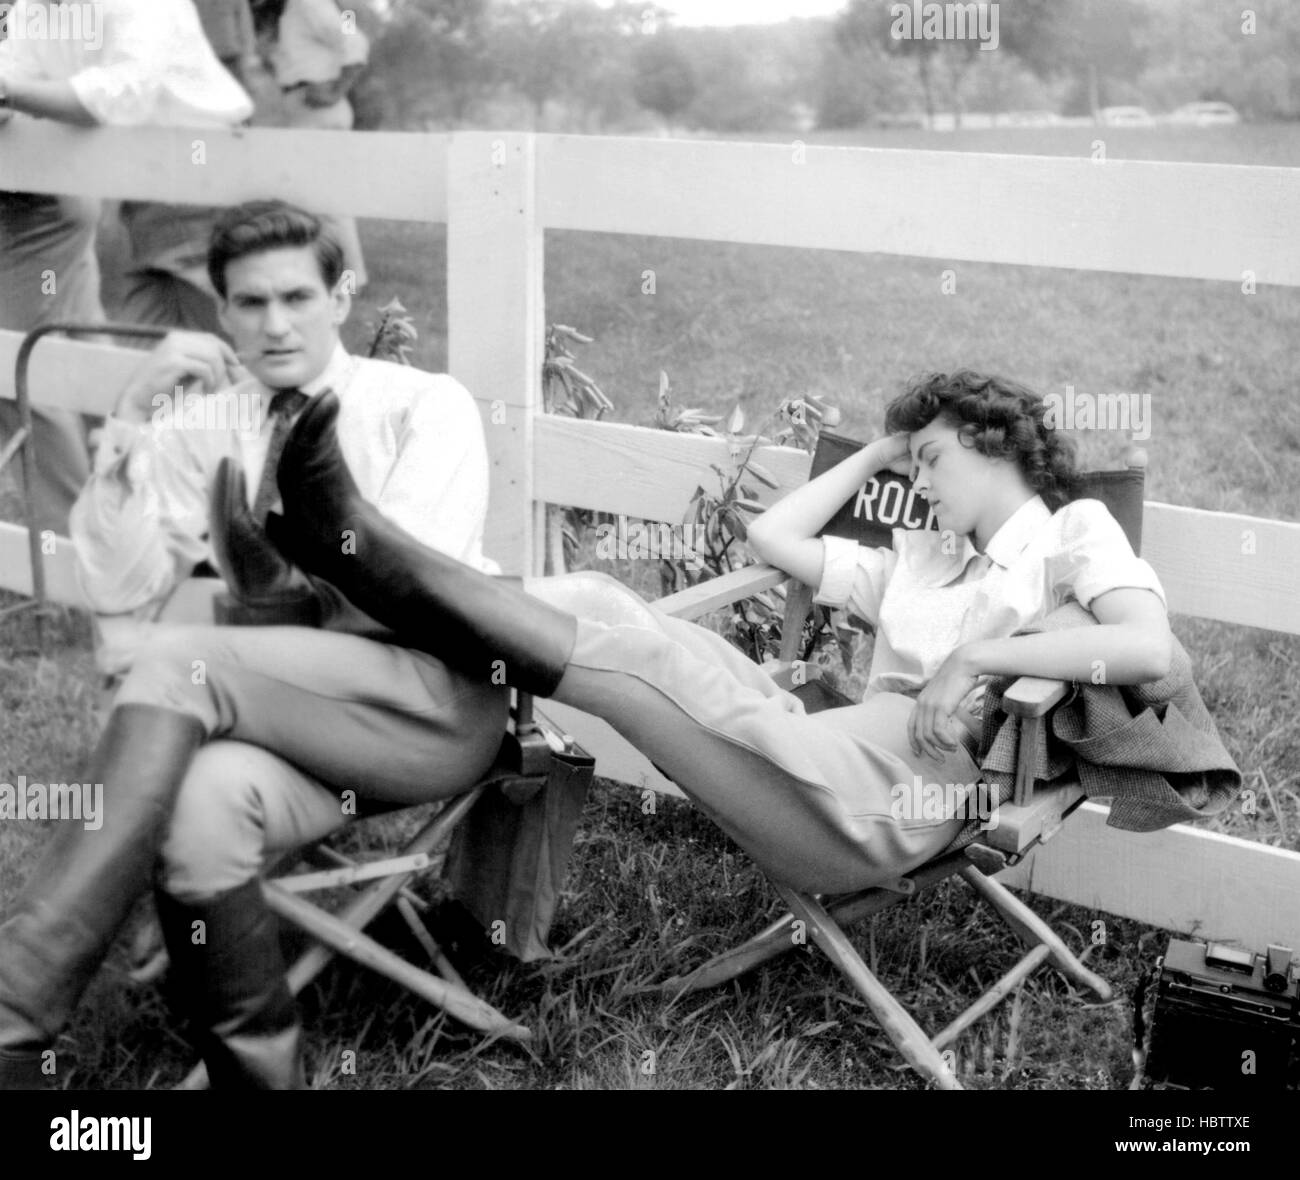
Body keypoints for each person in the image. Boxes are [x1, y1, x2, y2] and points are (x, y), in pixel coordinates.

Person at [260, 370, 1177, 901]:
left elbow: (1150, 652)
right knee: (601, 598)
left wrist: (978, 657)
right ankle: (367, 591)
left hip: (902, 801)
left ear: (1000, 447)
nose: (923, 481)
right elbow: (771, 540)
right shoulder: (922, 563)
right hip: (818, 751)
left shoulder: (1072, 532)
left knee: (645, 658)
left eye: (933, 459)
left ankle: (368, 573)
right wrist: (875, 455)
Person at [0, 200, 508, 1090]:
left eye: (296, 298)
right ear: (222, 311)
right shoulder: (207, 423)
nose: (274, 325)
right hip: (276, 719)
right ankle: (259, 1077)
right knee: (199, 805)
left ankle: (11, 1019)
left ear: (342, 295)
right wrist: (127, 417)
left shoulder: (422, 405)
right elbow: (119, 584)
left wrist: (238, 627)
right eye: (249, 304)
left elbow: (413, 597)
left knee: (179, 656)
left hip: (423, 709)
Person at [0, 0, 253, 535]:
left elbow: (121, 91)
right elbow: (18, 78)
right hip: (132, 191)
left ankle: (199, 544)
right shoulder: (38, 9)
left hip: (203, 177)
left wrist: (10, 91)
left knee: (217, 378)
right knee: (134, 373)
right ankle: (119, 534)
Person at [264, 0, 369, 291]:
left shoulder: (309, 3)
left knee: (329, 200)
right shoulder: (293, 9)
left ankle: (351, 279)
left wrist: (337, 89)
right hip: (303, 107)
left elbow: (353, 37)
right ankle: (332, 275)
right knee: (311, 198)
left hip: (319, 109)